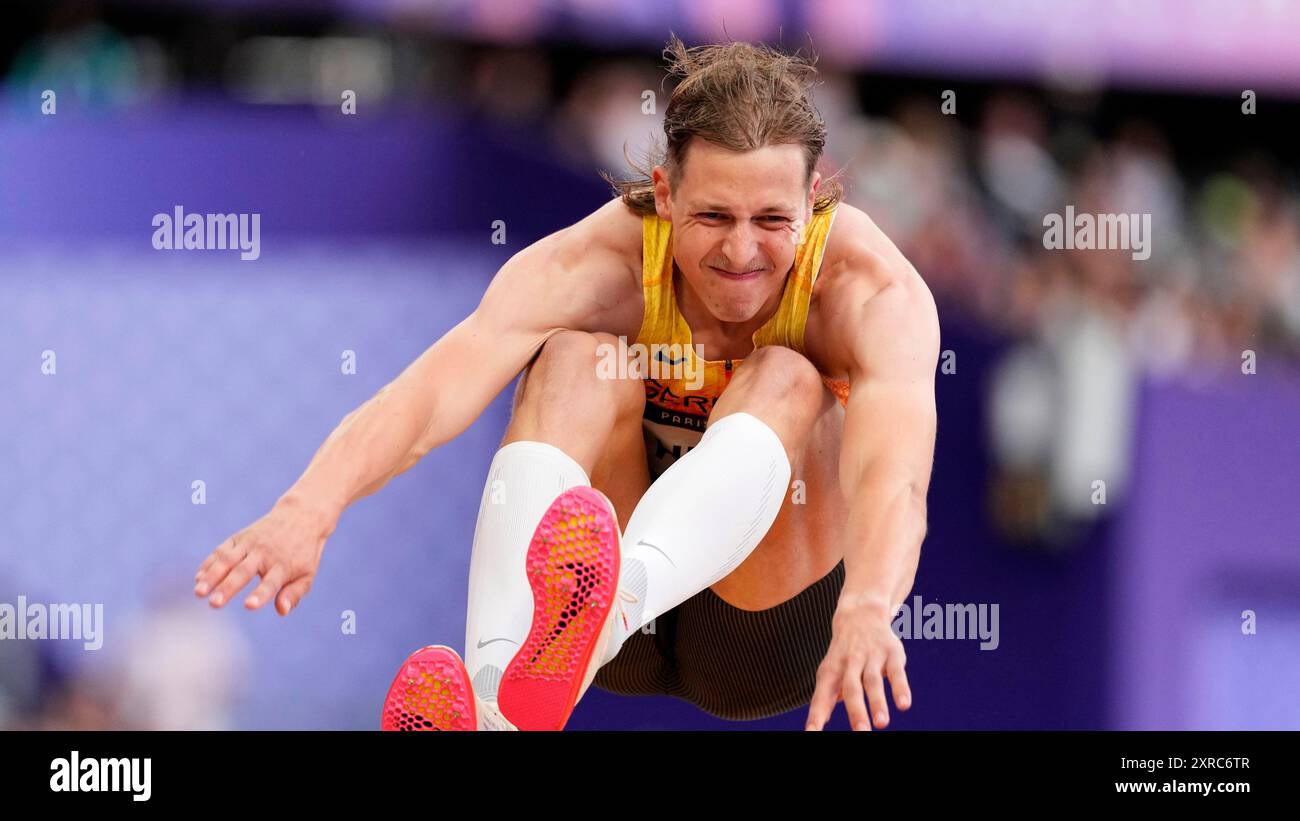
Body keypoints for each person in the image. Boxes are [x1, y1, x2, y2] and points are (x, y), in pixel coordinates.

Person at [194, 36, 939, 732]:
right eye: (713, 216)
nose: (742, 253)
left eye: (771, 220)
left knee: (786, 374)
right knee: (573, 359)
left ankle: (591, 619)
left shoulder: (868, 292)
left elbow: (893, 477)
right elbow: (432, 392)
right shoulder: (597, 263)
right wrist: (309, 508)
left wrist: (870, 605)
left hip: (763, 632)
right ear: (665, 194)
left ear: (814, 201)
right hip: (612, 640)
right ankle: (497, 701)